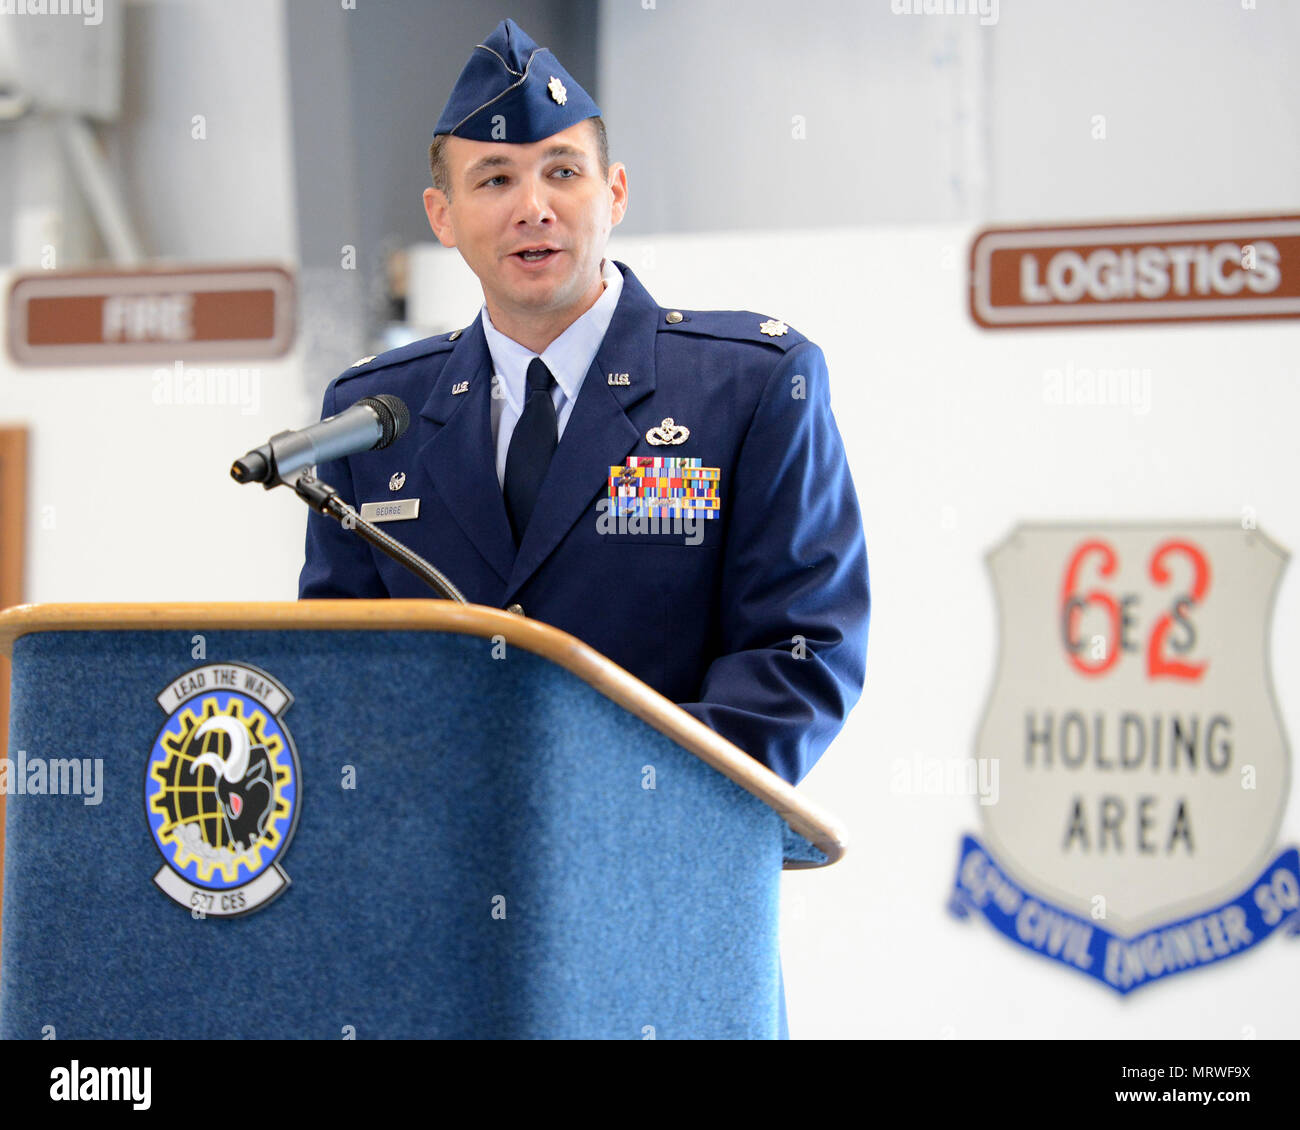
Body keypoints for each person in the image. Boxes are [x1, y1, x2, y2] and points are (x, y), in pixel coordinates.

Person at [298, 18, 869, 791]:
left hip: (661, 865)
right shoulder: (373, 417)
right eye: (495, 179)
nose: (533, 207)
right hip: (437, 879)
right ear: (443, 216)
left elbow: (799, 656)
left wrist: (590, 795)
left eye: (562, 172)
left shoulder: (752, 386)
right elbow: (340, 676)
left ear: (616, 193)